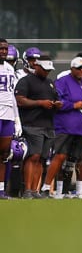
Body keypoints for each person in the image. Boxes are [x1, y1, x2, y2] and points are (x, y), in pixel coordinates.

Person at [45, 56, 82, 199]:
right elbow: (57, 101)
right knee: (60, 157)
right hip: (65, 127)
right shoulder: (62, 82)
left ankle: (69, 191)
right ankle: (49, 188)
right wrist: (73, 105)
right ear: (72, 68)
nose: (81, 71)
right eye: (78, 68)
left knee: (75, 160)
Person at [14, 53, 59, 197]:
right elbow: (20, 100)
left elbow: (55, 98)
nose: (47, 72)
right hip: (32, 124)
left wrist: (57, 105)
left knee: (41, 159)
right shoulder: (26, 81)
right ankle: (27, 189)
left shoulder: (50, 83)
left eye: (48, 70)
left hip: (48, 125)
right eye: (44, 69)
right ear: (36, 66)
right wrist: (40, 103)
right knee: (33, 156)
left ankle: (35, 190)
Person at [0, 41, 18, 199]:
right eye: (1, 48)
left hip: (8, 114)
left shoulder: (10, 68)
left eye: (5, 49)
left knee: (4, 154)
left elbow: (12, 96)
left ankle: (0, 190)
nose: (4, 51)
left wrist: (17, 118)